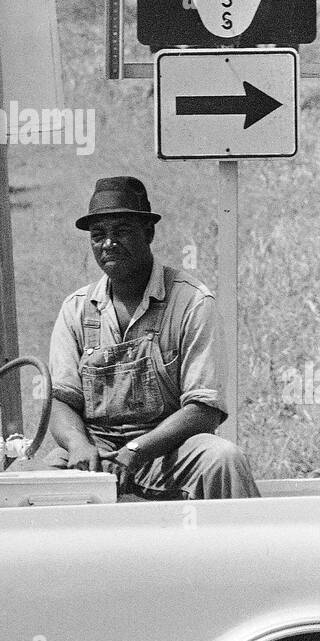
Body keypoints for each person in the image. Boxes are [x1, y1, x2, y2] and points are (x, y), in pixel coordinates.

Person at [43, 176, 260, 500]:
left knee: (223, 459)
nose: (108, 244)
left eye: (122, 231)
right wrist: (78, 445)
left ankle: (241, 550)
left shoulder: (192, 302)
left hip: (170, 452)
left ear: (149, 233)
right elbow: (61, 401)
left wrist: (136, 450)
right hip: (96, 453)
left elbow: (204, 409)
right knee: (35, 485)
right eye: (98, 235)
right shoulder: (76, 309)